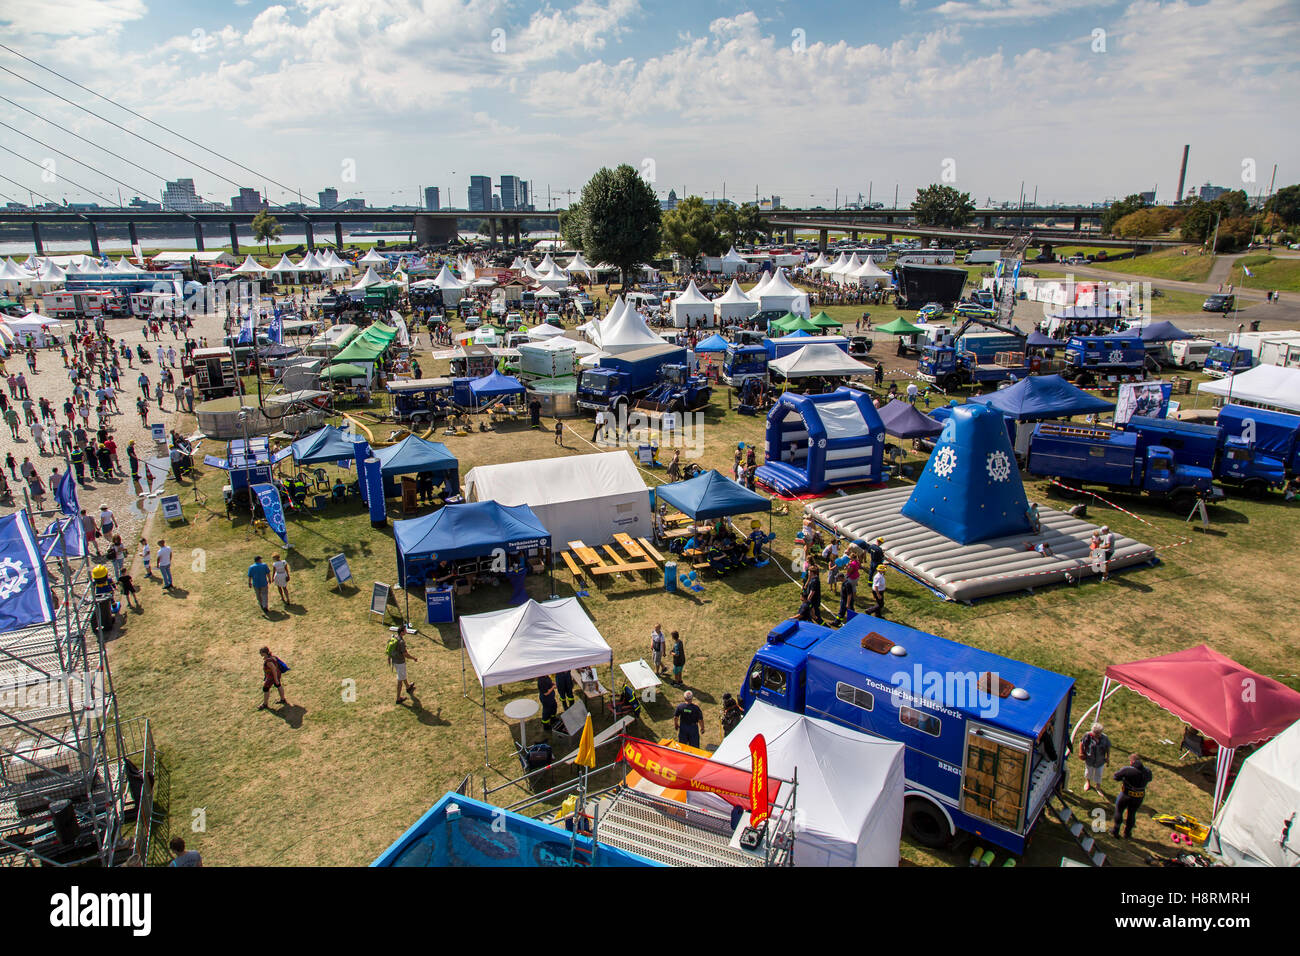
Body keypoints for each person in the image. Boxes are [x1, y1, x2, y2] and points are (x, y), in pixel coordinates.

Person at [1112, 753, 1153, 839]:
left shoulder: (1127, 770)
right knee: (1131, 814)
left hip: (1126, 794)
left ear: (1132, 762)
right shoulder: (1148, 772)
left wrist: (1123, 778)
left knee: (1119, 810)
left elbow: (1115, 777)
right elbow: (1150, 779)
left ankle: (1115, 831)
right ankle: (1127, 833)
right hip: (1138, 797)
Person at [1080, 722, 1112, 795]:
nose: (1098, 735)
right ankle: (1088, 782)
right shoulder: (1087, 736)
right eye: (1096, 733)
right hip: (1089, 759)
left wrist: (1108, 757)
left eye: (1099, 733)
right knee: (1088, 771)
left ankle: (1098, 786)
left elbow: (1108, 747)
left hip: (1100, 760)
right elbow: (1081, 743)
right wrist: (1081, 753)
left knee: (1099, 773)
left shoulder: (1105, 738)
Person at [388, 632, 418, 705]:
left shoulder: (394, 638)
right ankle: (398, 698)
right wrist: (413, 658)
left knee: (402, 675)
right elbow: (405, 654)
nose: (406, 631)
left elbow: (390, 649)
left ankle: (408, 687)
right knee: (400, 681)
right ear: (402, 632)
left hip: (395, 661)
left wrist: (389, 658)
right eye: (405, 630)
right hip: (400, 663)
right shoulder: (401, 642)